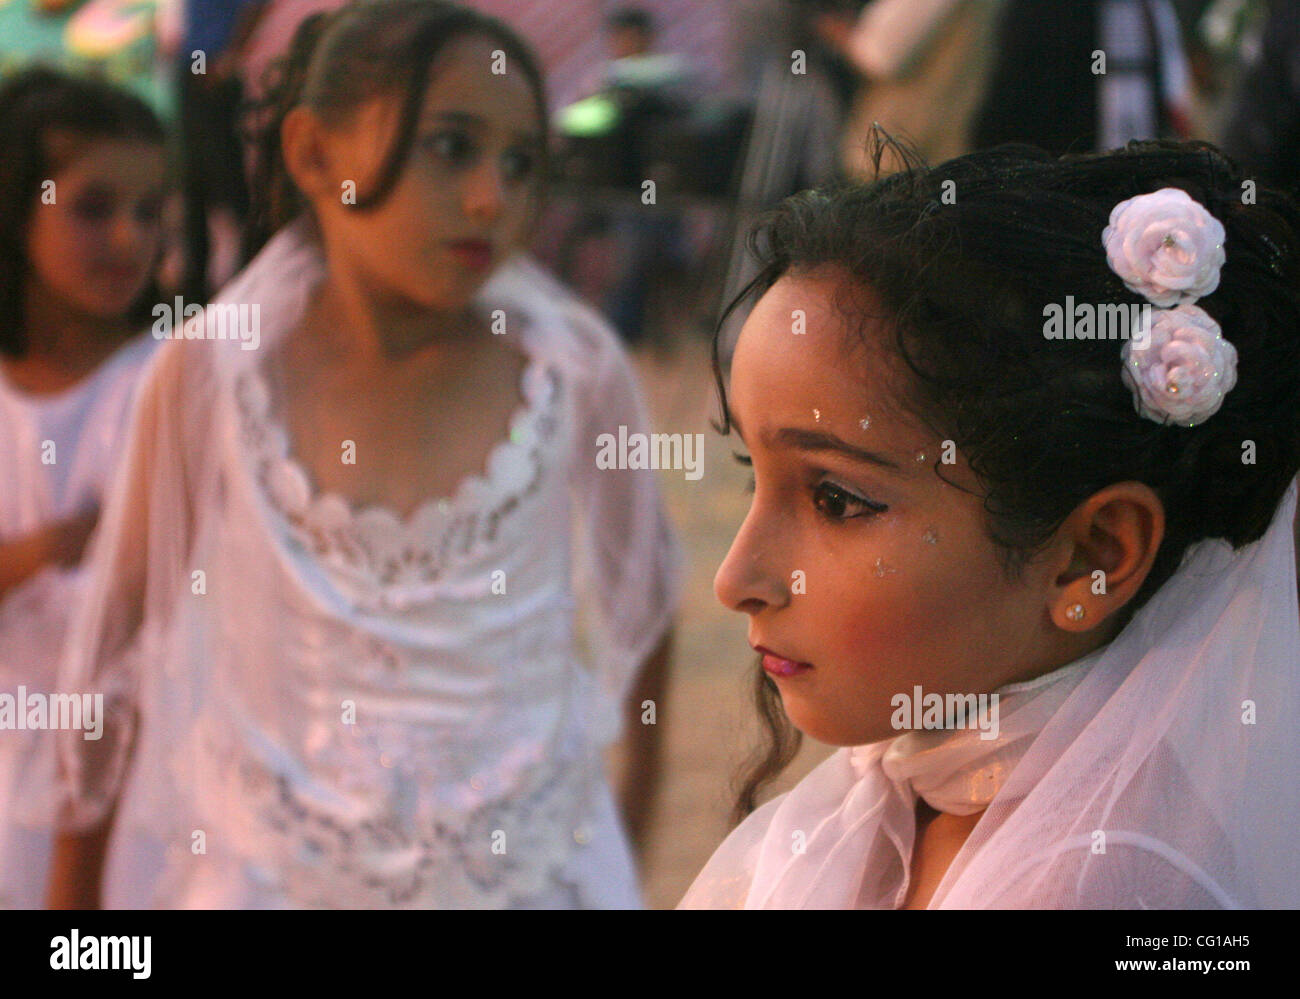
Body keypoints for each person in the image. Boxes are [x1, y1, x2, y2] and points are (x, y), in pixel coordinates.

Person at [47, 0, 681, 909]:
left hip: (533, 879)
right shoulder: (213, 372)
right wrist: (70, 910)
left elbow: (646, 599)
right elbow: (114, 639)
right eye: (452, 147)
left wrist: (626, 839)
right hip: (274, 880)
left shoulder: (571, 367)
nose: (490, 198)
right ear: (313, 154)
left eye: (521, 162)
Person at [681, 137, 1300, 908]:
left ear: (1091, 555)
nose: (735, 578)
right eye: (754, 476)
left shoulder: (1104, 889)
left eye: (836, 498)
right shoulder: (902, 796)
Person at [0, 67, 166, 908]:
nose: (131, 238)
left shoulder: (166, 384)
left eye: (150, 210)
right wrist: (49, 547)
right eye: (95, 208)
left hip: (133, 788)